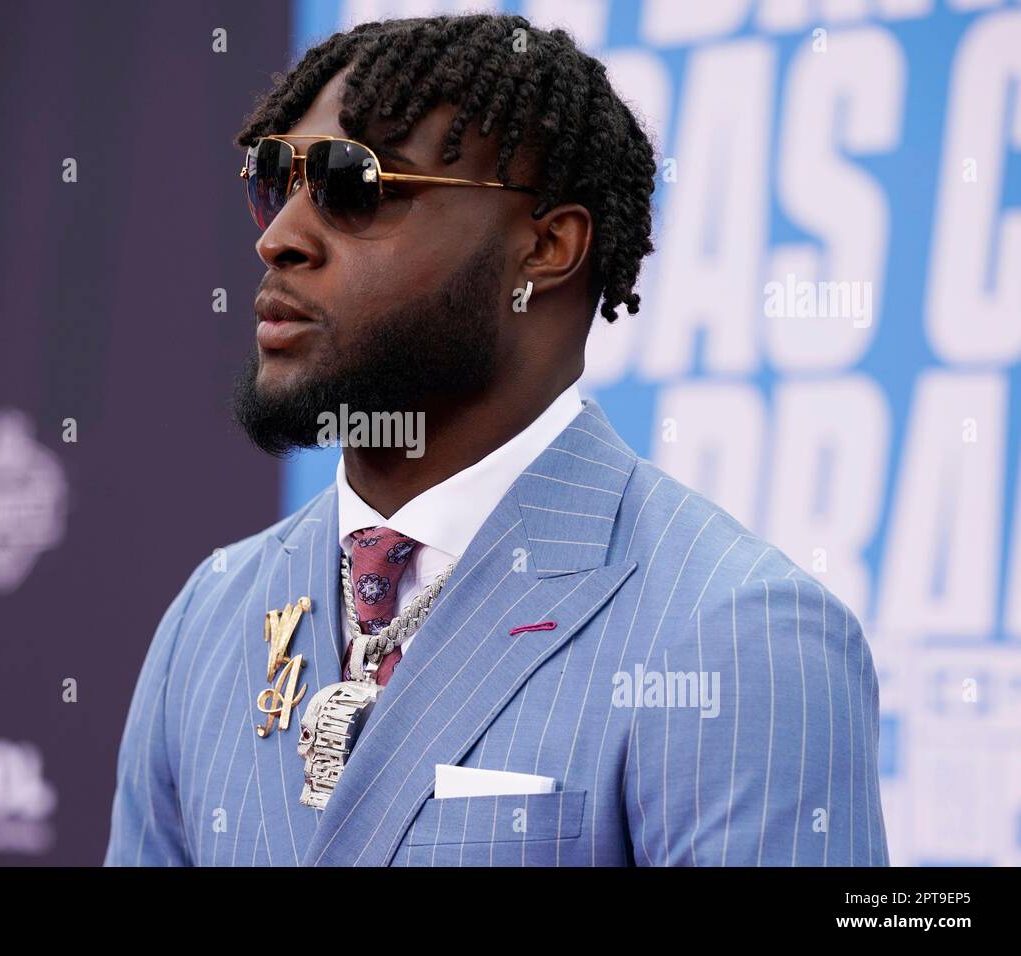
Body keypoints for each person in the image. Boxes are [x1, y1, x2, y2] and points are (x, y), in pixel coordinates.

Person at [105, 13, 888, 867]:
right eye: (274, 179)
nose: (279, 237)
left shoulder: (739, 635)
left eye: (352, 185)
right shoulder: (209, 616)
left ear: (546, 247)